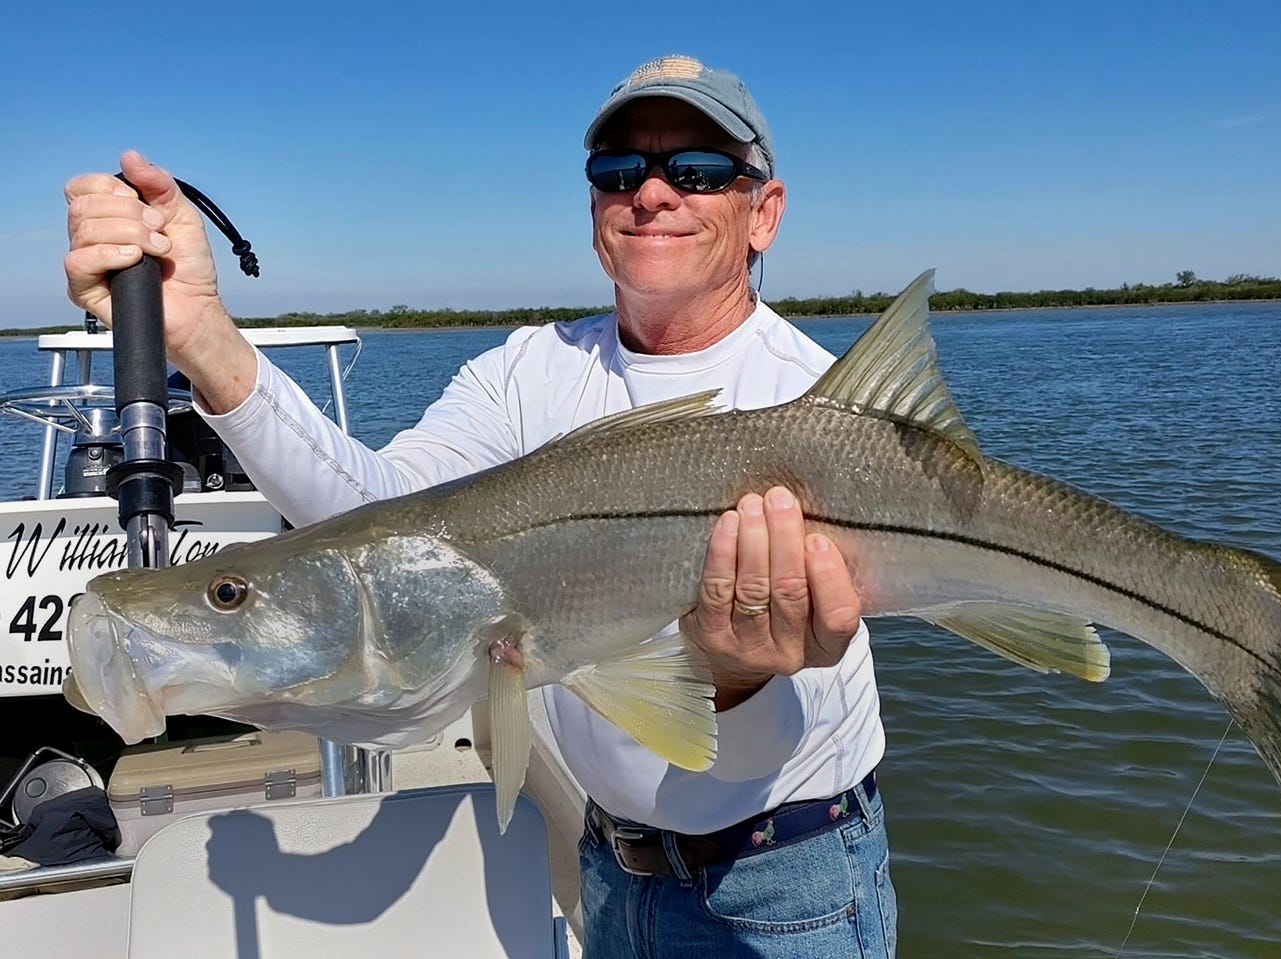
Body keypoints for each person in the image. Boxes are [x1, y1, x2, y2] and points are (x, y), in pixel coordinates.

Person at [65, 54, 896, 958]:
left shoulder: (826, 409)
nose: (651, 192)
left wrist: (739, 678)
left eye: (694, 169)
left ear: (763, 211)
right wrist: (200, 335)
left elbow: (749, 752)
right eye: (619, 171)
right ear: (593, 211)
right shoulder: (522, 373)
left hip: (789, 881)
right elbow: (380, 520)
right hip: (610, 864)